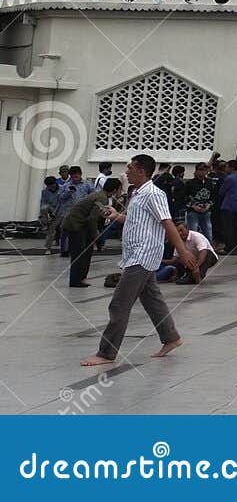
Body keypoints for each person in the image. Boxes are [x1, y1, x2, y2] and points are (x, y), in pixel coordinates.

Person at [82, 155, 196, 367]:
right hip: (136, 254)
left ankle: (106, 353)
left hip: (143, 256)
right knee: (152, 299)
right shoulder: (138, 193)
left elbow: (168, 223)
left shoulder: (154, 193)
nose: (126, 172)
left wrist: (183, 250)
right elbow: (136, 220)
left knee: (119, 304)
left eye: (130, 169)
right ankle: (171, 338)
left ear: (142, 171)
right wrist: (116, 215)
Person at [64, 177, 121, 287]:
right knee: (79, 254)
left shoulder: (101, 195)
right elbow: (92, 218)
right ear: (115, 189)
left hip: (80, 225)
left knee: (85, 252)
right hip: (76, 225)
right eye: (119, 189)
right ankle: (76, 280)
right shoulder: (101, 198)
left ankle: (80, 278)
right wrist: (95, 234)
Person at [216, 163, 237, 255]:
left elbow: (221, 191)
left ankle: (229, 247)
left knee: (228, 227)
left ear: (231, 167)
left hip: (229, 205)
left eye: (226, 167)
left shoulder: (229, 178)